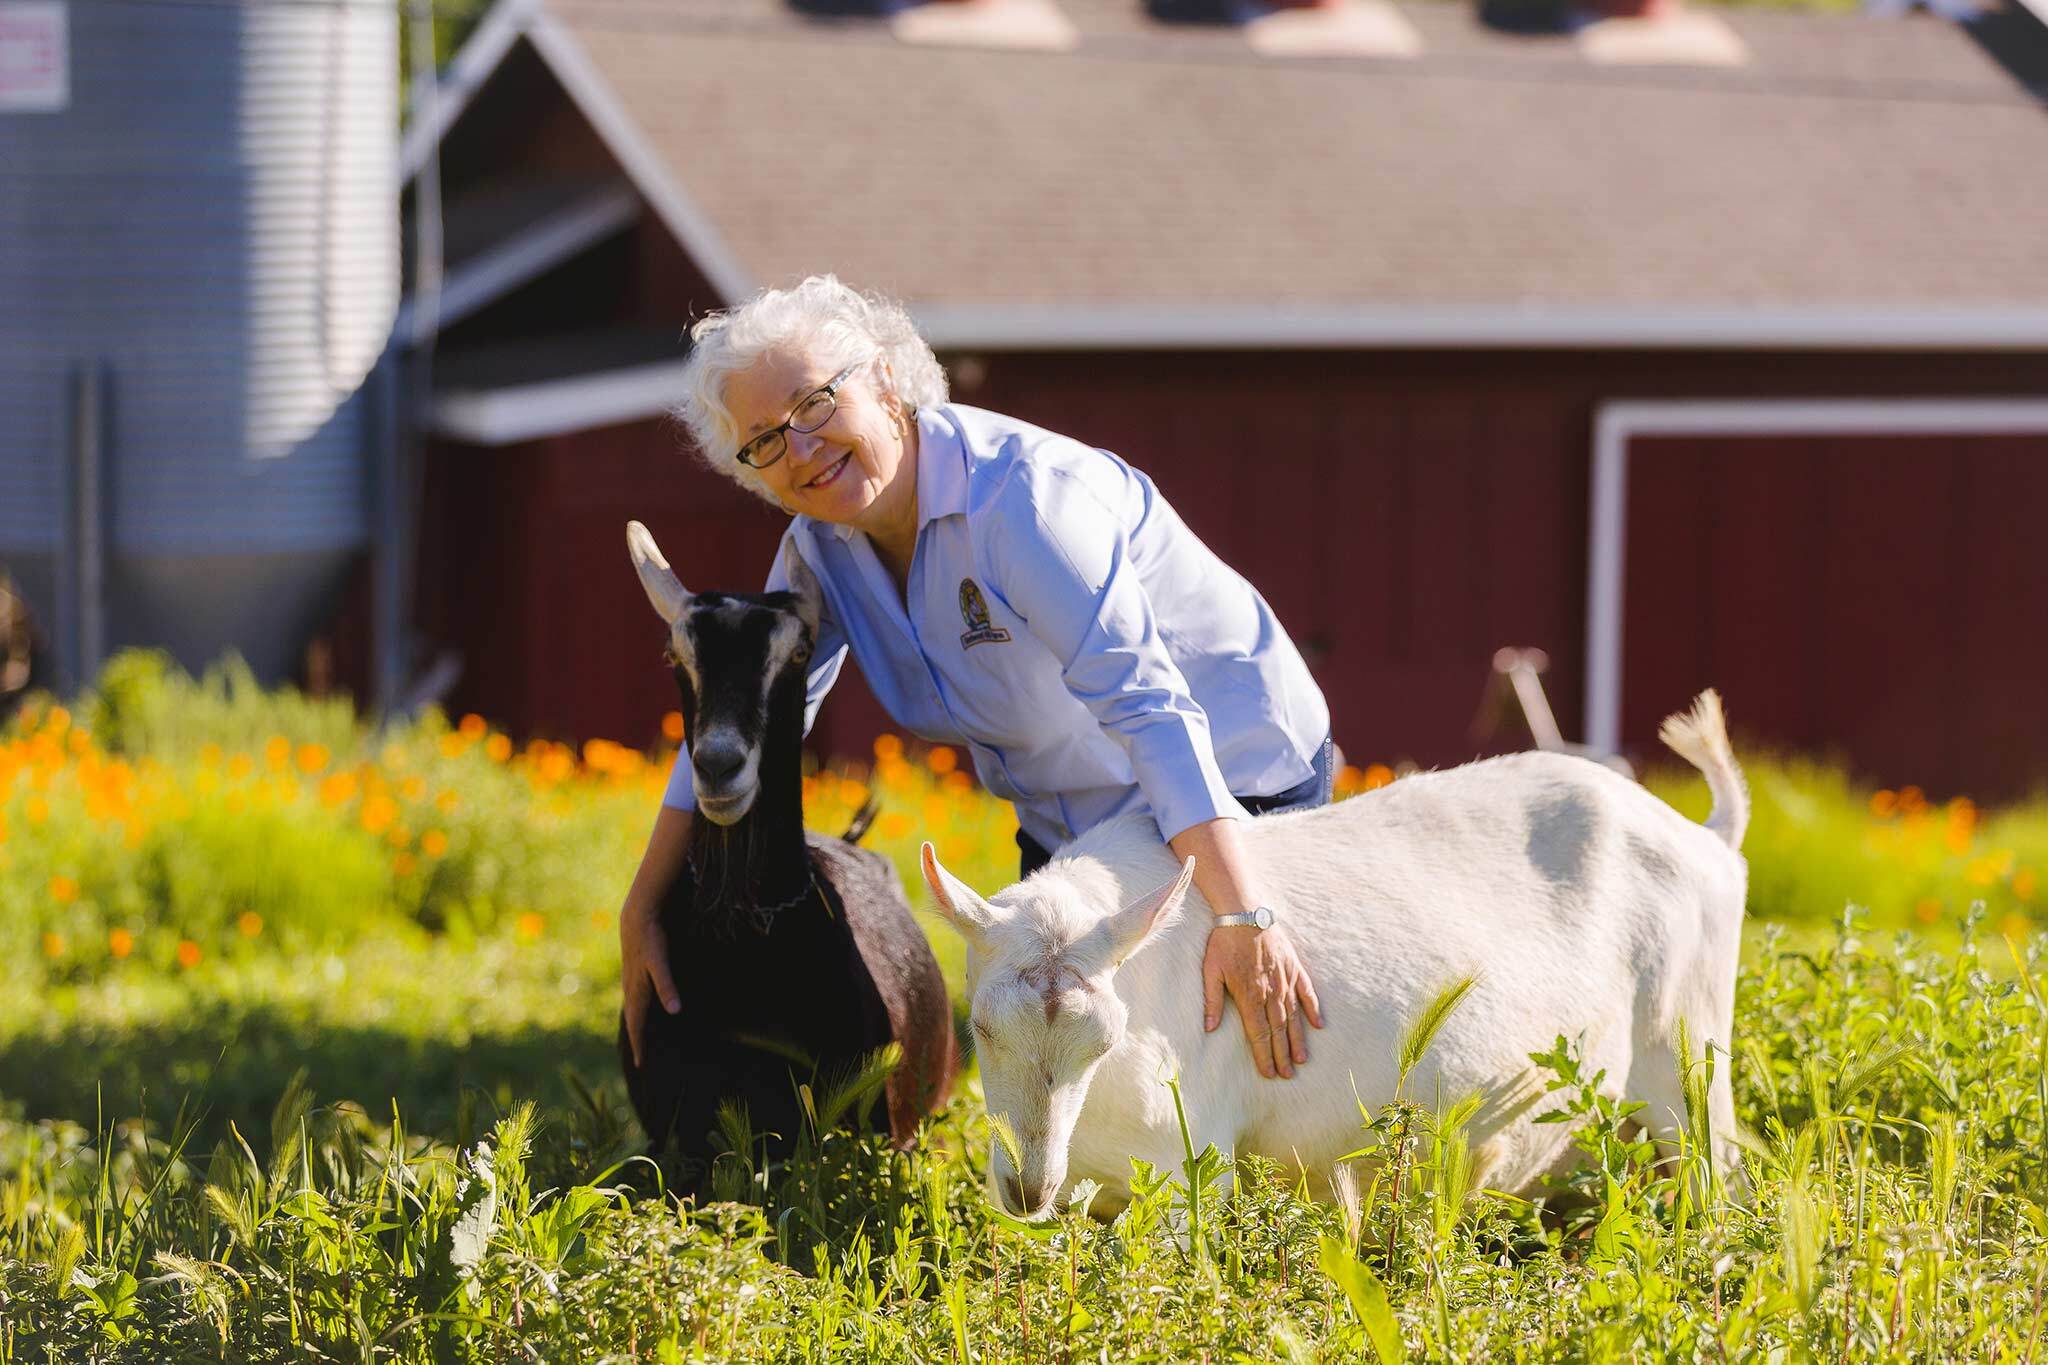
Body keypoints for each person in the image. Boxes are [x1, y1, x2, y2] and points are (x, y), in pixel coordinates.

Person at [620, 276, 1333, 1086]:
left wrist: (1243, 911)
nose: (802, 448)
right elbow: (747, 722)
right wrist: (643, 905)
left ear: (885, 380)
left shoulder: (1024, 502)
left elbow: (1151, 709)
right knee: (1086, 1087)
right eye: (766, 441)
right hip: (1075, 822)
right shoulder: (820, 552)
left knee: (1256, 1066)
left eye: (815, 403)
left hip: (1234, 786)